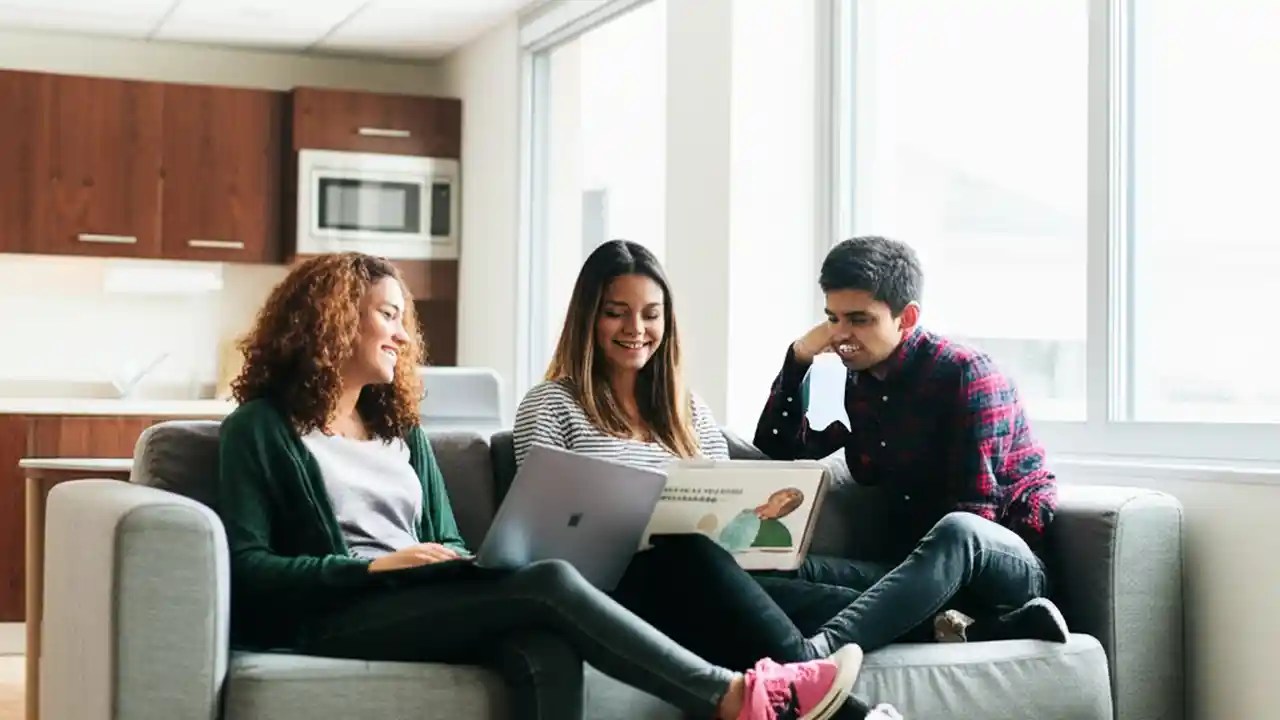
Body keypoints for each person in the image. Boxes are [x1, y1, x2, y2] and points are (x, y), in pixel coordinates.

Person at [216, 251, 871, 720]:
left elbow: (443, 535)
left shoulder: (397, 427)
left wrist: (451, 562)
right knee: (553, 582)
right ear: (332, 322)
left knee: (545, 647)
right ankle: (732, 697)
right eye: (387, 315)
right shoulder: (262, 430)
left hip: (418, 597)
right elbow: (249, 569)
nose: (404, 335)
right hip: (333, 617)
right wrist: (375, 569)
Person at [513, 241, 902, 720]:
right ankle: (846, 710)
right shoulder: (550, 404)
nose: (636, 329)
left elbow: (723, 508)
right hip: (607, 593)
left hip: (703, 580)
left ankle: (969, 623)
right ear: (588, 319)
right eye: (616, 313)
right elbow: (536, 531)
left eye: (651, 314)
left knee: (838, 604)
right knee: (688, 553)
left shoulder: (688, 409)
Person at [753, 236, 1070, 655]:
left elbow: (978, 515)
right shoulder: (858, 380)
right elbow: (775, 454)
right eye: (833, 319)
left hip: (1000, 566)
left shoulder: (966, 373)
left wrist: (902, 588)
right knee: (759, 568)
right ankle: (970, 629)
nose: (841, 336)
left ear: (907, 317)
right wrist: (796, 361)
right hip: (912, 569)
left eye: (859, 320)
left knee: (958, 529)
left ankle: (819, 652)